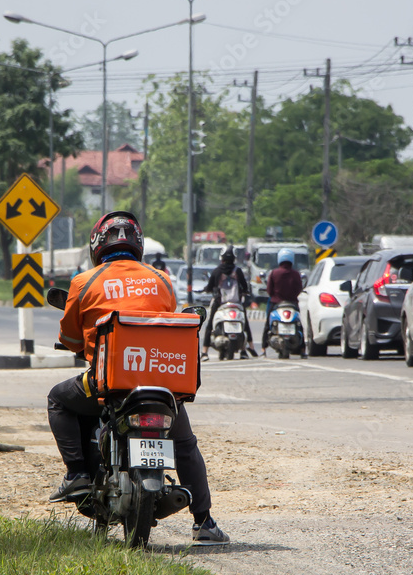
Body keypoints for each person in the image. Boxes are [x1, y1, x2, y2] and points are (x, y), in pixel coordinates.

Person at [47, 211, 229, 545]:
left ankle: (77, 475)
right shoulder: (160, 279)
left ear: (98, 245)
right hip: (163, 386)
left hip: (106, 385)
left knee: (58, 399)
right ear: (138, 244)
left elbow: (72, 337)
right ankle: (204, 522)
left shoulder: (82, 282)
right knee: (186, 445)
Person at [200, 247, 258, 361]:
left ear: (221, 258)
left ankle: (204, 352)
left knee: (210, 325)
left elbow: (210, 286)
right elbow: (245, 287)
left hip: (220, 303)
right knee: (244, 323)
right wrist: (245, 292)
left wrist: (207, 289)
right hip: (236, 303)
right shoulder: (238, 271)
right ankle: (248, 348)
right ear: (234, 258)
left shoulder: (217, 271)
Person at [262, 248, 305, 357]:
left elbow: (269, 290)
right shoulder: (296, 274)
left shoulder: (274, 273)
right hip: (293, 304)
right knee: (299, 326)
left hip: (276, 303)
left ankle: (263, 349)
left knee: (268, 325)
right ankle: (303, 350)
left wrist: (276, 296)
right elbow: (299, 288)